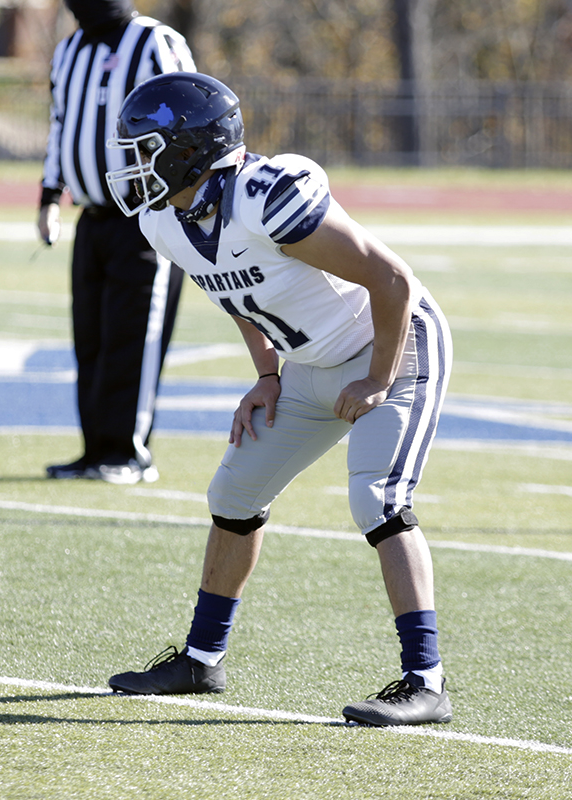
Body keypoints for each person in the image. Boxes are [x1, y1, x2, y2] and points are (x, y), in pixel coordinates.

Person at [102, 73, 455, 726]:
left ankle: (425, 681)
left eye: (146, 146)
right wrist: (267, 374)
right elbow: (234, 293)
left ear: (190, 147)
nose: (134, 163)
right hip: (311, 363)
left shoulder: (267, 197)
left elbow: (392, 280)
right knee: (234, 494)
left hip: (396, 345)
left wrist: (378, 378)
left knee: (378, 498)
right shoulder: (166, 220)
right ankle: (202, 658)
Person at [37, 0, 194, 485]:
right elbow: (61, 124)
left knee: (135, 338)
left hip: (148, 216)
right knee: (92, 338)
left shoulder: (155, 42)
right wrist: (48, 195)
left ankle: (128, 452)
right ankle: (94, 450)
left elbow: (189, 116)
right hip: (91, 216)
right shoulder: (67, 50)